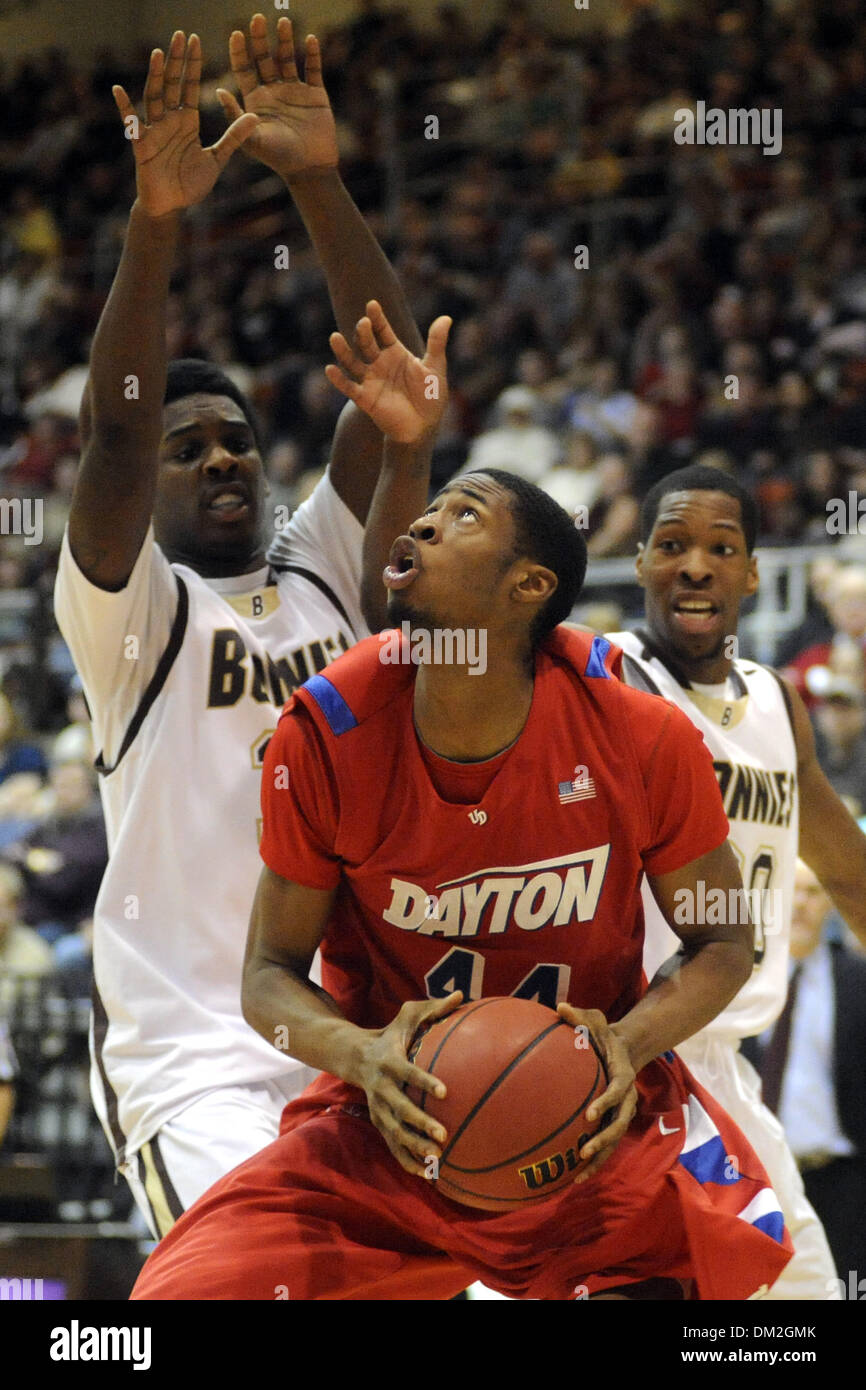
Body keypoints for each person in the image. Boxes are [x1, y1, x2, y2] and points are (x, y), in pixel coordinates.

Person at [132, 309, 791, 1301]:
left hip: (595, 1118)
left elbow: (722, 946)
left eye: (463, 516)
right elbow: (266, 980)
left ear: (527, 586)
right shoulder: (332, 730)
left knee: (751, 1297)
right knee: (172, 1300)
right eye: (426, 512)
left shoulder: (640, 734)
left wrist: (623, 1042)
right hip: (388, 1120)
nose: (427, 521)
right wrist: (362, 1053)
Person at [53, 17, 446, 1238]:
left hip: (356, 1043)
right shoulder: (135, 616)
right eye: (189, 449)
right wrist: (157, 221)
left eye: (234, 439)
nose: (220, 456)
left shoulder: (325, 569)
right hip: (203, 1062)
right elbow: (114, 430)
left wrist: (318, 182)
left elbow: (393, 388)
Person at [606, 463, 866, 1299]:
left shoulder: (775, 701)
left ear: (754, 573)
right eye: (673, 545)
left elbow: (845, 870)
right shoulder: (603, 679)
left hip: (726, 1071)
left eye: (723, 548)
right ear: (641, 559)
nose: (696, 566)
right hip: (632, 1055)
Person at [743, 861, 866, 1292]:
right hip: (757, 1179)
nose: (800, 904)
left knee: (847, 1287)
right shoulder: (738, 980)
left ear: (830, 902)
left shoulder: (857, 981)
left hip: (842, 1181)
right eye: (790, 891)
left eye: (813, 892)